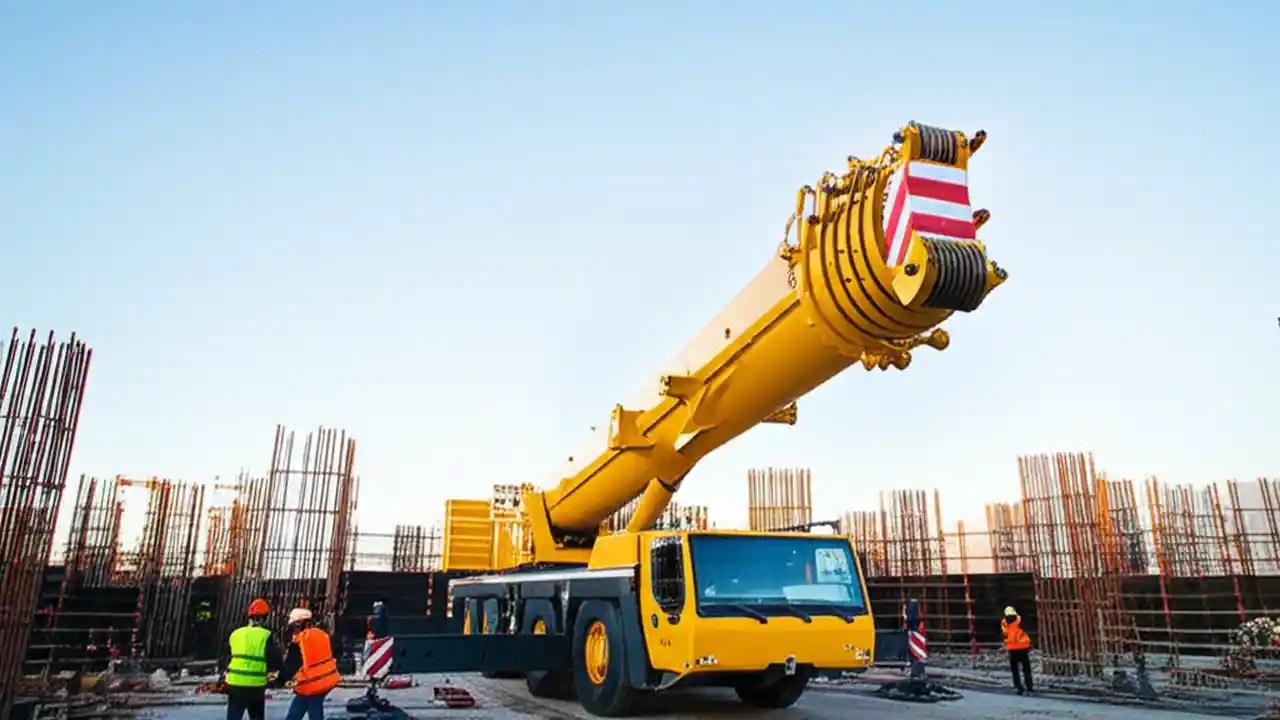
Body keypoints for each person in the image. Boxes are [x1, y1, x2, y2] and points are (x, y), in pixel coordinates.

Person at [223, 598, 284, 720]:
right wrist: (281, 678)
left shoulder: (235, 634)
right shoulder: (266, 635)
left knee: (233, 716)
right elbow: (275, 660)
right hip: (255, 686)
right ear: (265, 617)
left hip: (235, 683)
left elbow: (226, 658)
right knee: (256, 716)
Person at [279, 607, 340, 720]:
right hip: (324, 681)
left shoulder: (300, 640)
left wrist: (281, 678)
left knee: (307, 713)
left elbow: (292, 665)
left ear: (299, 623)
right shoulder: (322, 635)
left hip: (310, 683)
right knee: (300, 711)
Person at [1001, 605, 1034, 695]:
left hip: (1012, 648)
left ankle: (1019, 687)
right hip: (1023, 646)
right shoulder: (1019, 620)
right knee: (1026, 668)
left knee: (1015, 669)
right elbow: (1026, 630)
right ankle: (1029, 686)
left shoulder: (1004, 623)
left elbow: (1005, 634)